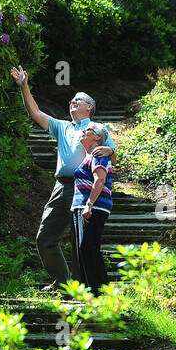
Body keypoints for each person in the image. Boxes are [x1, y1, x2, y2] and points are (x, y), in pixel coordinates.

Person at [10, 66, 115, 289]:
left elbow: (110, 156)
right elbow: (35, 113)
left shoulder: (97, 128)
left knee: (80, 240)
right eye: (71, 101)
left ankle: (81, 287)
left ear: (90, 107)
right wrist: (24, 85)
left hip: (83, 187)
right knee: (44, 237)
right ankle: (62, 280)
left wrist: (111, 151)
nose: (72, 102)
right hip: (60, 187)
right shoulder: (63, 127)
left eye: (78, 100)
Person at [71, 122, 114, 291]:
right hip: (81, 206)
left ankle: (101, 290)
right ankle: (92, 289)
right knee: (83, 248)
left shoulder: (99, 154)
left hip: (93, 206)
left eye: (88, 130)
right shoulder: (89, 155)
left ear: (97, 137)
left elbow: (100, 180)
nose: (83, 131)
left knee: (88, 246)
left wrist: (89, 204)